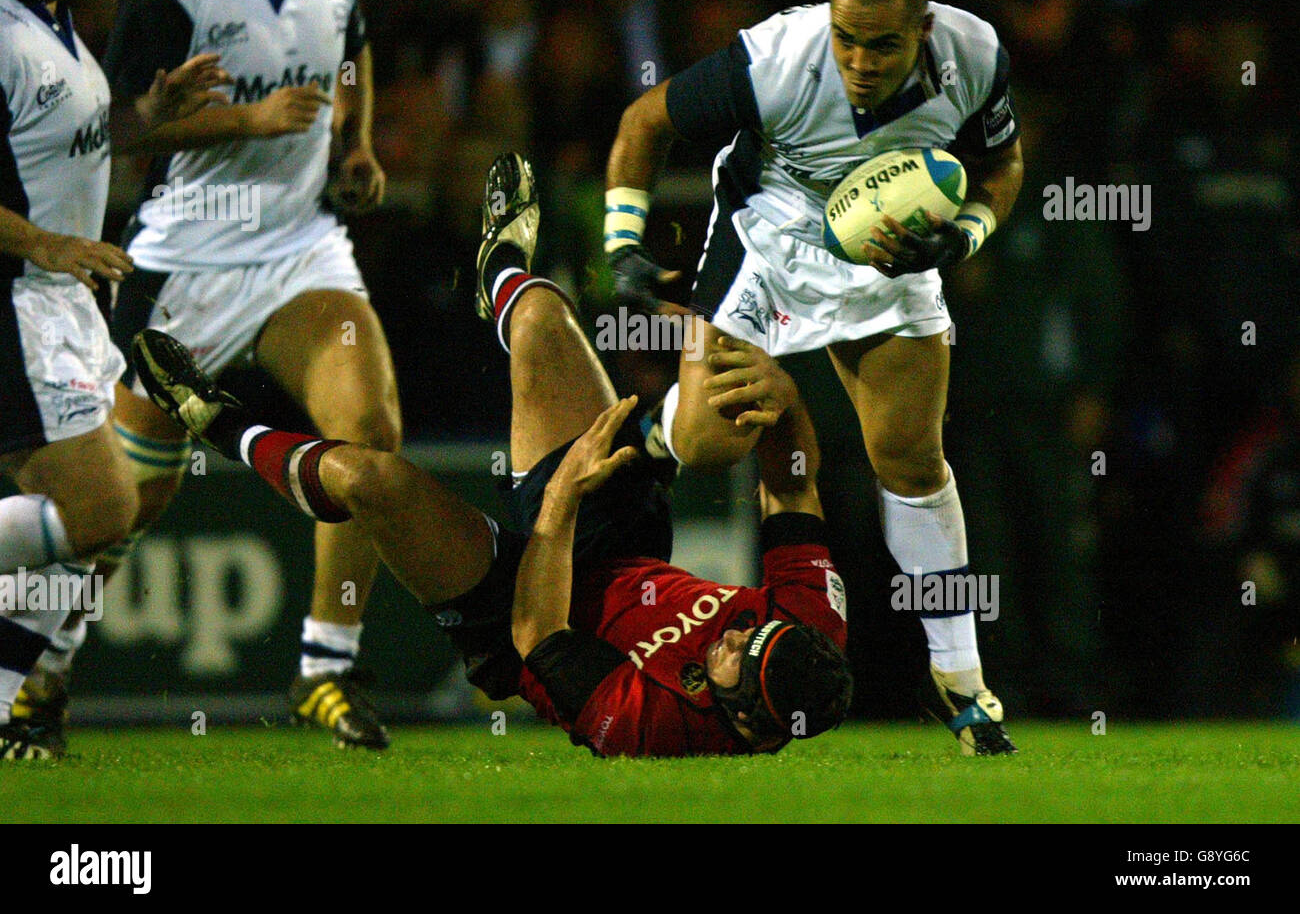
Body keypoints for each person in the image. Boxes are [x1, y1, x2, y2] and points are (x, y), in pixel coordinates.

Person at [130, 154, 854, 757]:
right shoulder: (809, 627)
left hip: (519, 613)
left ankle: (219, 425)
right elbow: (793, 491)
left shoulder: (652, 729)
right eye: (753, 629)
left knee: (369, 477)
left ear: (747, 721)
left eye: (738, 657)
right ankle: (502, 268)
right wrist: (785, 400)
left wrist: (564, 492)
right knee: (543, 315)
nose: (732, 633)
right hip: (623, 542)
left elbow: (538, 632)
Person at [604, 0, 1021, 754]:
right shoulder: (776, 58)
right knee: (707, 443)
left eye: (881, 45)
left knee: (909, 459)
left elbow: (1002, 163)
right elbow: (642, 122)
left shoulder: (975, 56)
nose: (860, 63)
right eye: (846, 40)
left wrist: (963, 236)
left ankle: (963, 685)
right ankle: (666, 423)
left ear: (923, 30)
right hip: (771, 236)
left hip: (886, 252)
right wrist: (623, 241)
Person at [93, 0, 399, 750]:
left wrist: (356, 141)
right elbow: (109, 126)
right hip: (184, 259)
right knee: (121, 502)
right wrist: (246, 120)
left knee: (369, 437)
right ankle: (38, 670)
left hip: (299, 250)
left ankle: (325, 667)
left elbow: (354, 54)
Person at [0, 0, 229, 760]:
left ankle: (15, 714)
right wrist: (49, 244)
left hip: (70, 303)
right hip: (19, 299)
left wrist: (150, 109)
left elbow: (87, 142)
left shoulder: (54, 24)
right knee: (102, 513)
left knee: (91, 535)